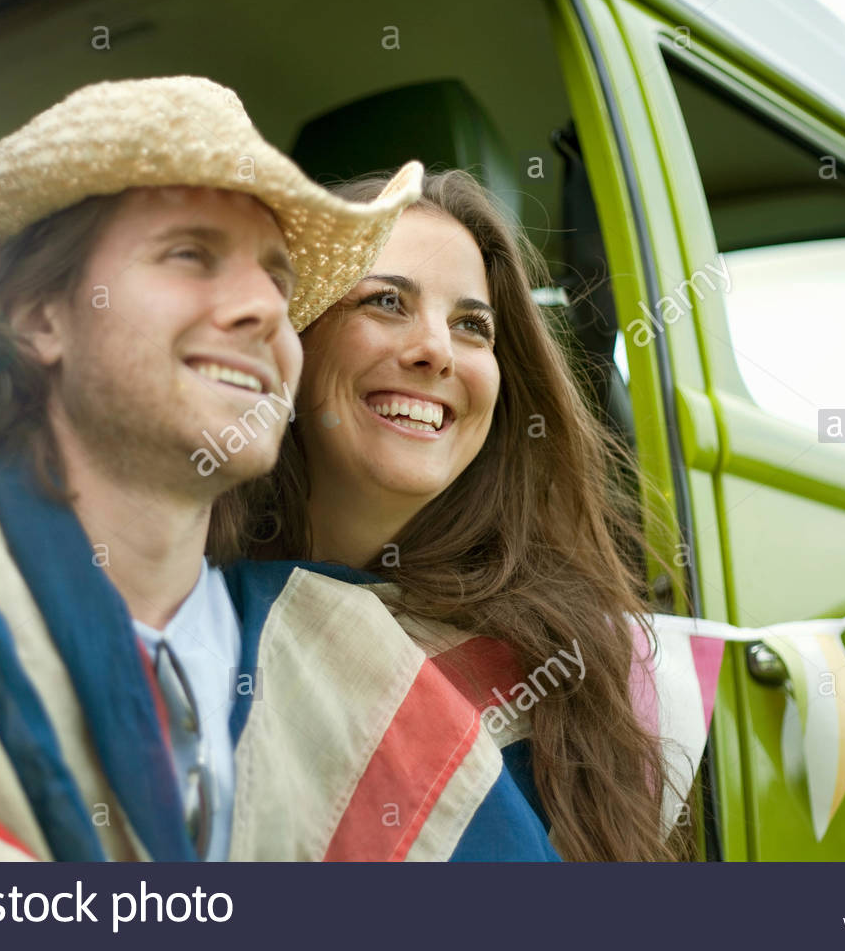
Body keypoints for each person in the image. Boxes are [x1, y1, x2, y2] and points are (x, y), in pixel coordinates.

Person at [0, 75, 422, 860]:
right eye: (190, 254)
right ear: (38, 317)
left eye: (278, 280)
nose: (266, 310)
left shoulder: (350, 655)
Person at [213, 170, 695, 861]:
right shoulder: (189, 617)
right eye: (385, 302)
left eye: (472, 326)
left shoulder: (573, 664)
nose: (437, 350)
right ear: (290, 342)